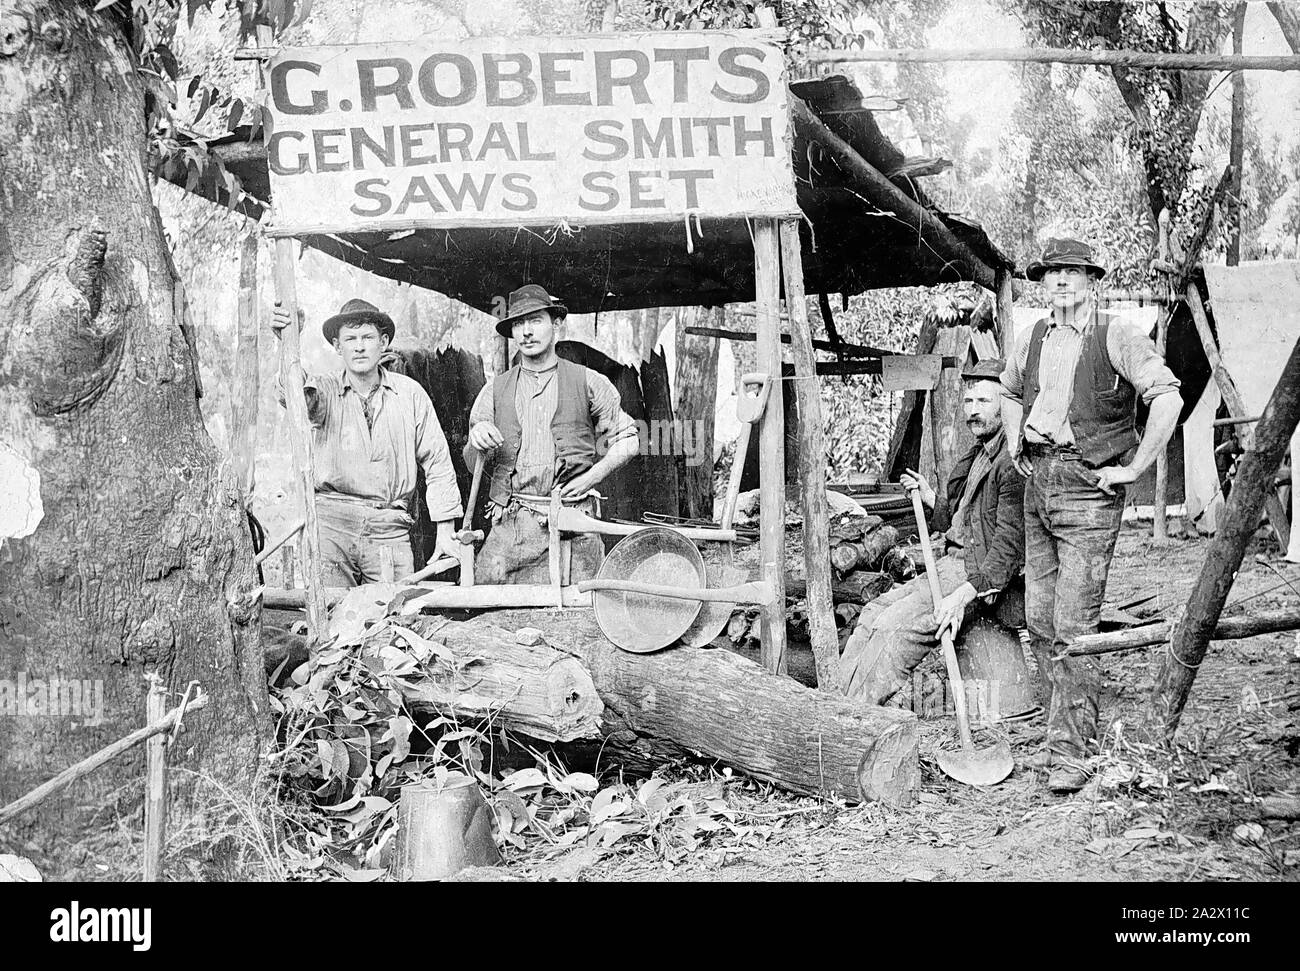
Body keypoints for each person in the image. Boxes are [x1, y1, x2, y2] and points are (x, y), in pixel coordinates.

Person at [1001, 237, 1182, 793]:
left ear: (1091, 280)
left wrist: (1135, 469)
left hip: (1089, 485)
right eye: (1051, 272)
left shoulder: (1118, 335)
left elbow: (1168, 397)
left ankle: (1071, 753)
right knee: (1039, 619)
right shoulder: (1032, 337)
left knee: (1074, 627)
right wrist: (1014, 437)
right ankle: (1062, 730)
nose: (1060, 282)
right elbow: (1008, 392)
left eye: (1072, 272)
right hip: (1039, 482)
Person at [840, 360, 1026, 709]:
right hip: (949, 563)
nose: (973, 411)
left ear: (1007, 405)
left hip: (973, 576)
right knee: (871, 615)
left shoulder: (1011, 464)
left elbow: (1009, 548)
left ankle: (855, 715)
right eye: (969, 402)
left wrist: (963, 595)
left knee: (893, 629)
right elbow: (960, 518)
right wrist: (930, 497)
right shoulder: (979, 454)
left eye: (984, 402)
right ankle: (833, 701)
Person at [272, 298, 462, 587]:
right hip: (332, 525)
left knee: (395, 615)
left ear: (383, 342)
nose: (359, 346)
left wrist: (446, 531)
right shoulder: (325, 390)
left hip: (389, 527)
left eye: (367, 337)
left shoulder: (410, 395)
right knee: (333, 617)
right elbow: (294, 394)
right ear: (338, 347)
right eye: (350, 339)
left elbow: (437, 462)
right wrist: (289, 344)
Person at [464, 284, 640, 584]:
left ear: (556, 324)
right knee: (489, 610)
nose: (526, 332)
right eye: (518, 324)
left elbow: (630, 440)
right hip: (512, 531)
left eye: (535, 321)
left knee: (578, 618)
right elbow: (472, 464)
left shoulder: (588, 381)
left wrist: (591, 477)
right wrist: (476, 439)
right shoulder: (494, 391)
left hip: (574, 524)